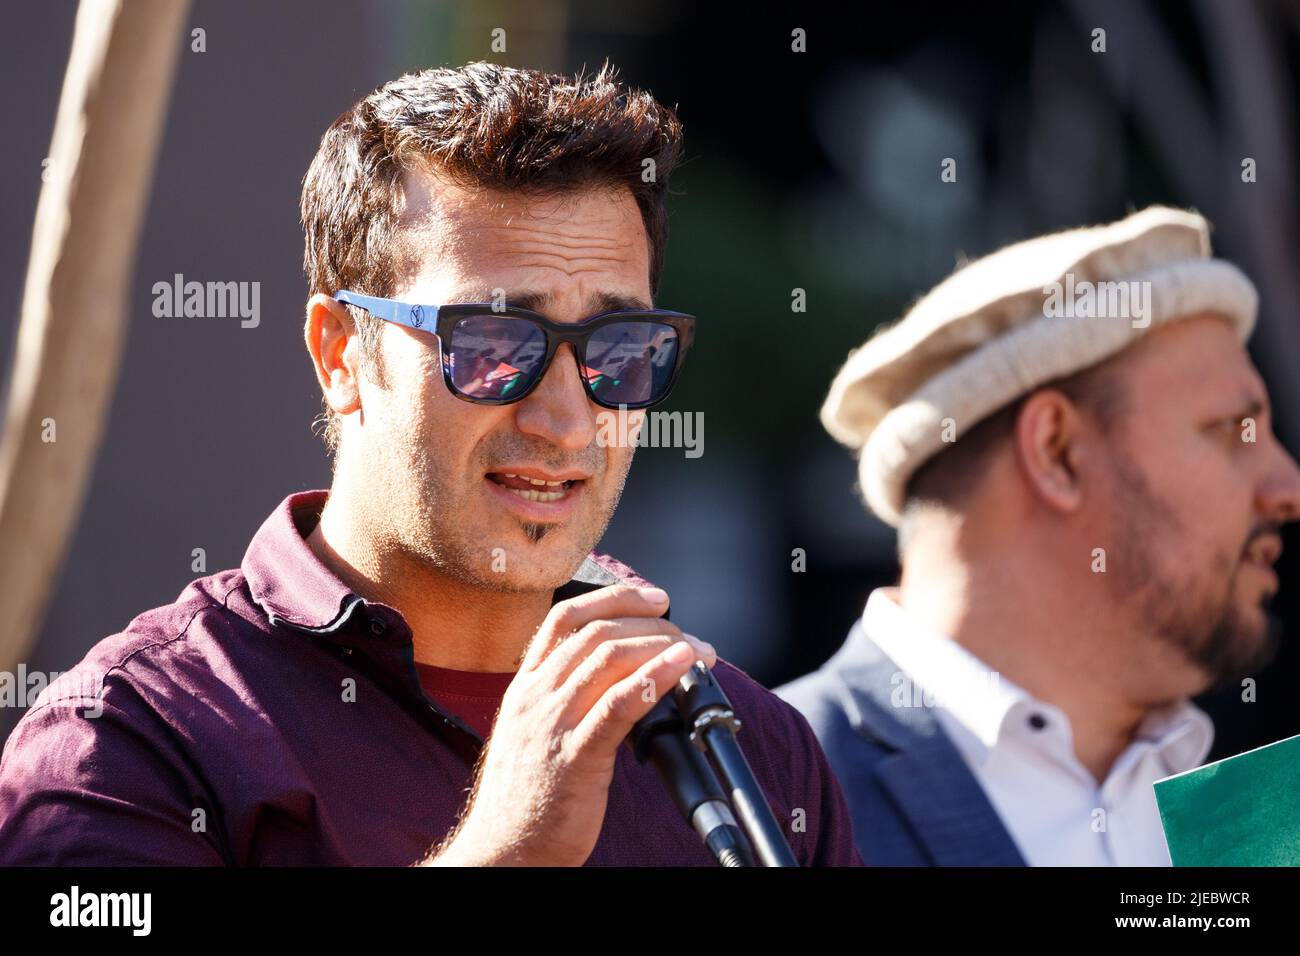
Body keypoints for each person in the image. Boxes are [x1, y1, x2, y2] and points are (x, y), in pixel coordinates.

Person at [0, 62, 860, 867]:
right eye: (490, 344)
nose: (567, 422)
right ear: (339, 353)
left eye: (619, 347)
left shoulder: (751, 752)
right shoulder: (129, 740)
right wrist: (500, 854)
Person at [778, 206, 1300, 866]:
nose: (1287, 488)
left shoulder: (1258, 821)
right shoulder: (749, 796)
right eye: (1233, 429)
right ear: (1056, 452)